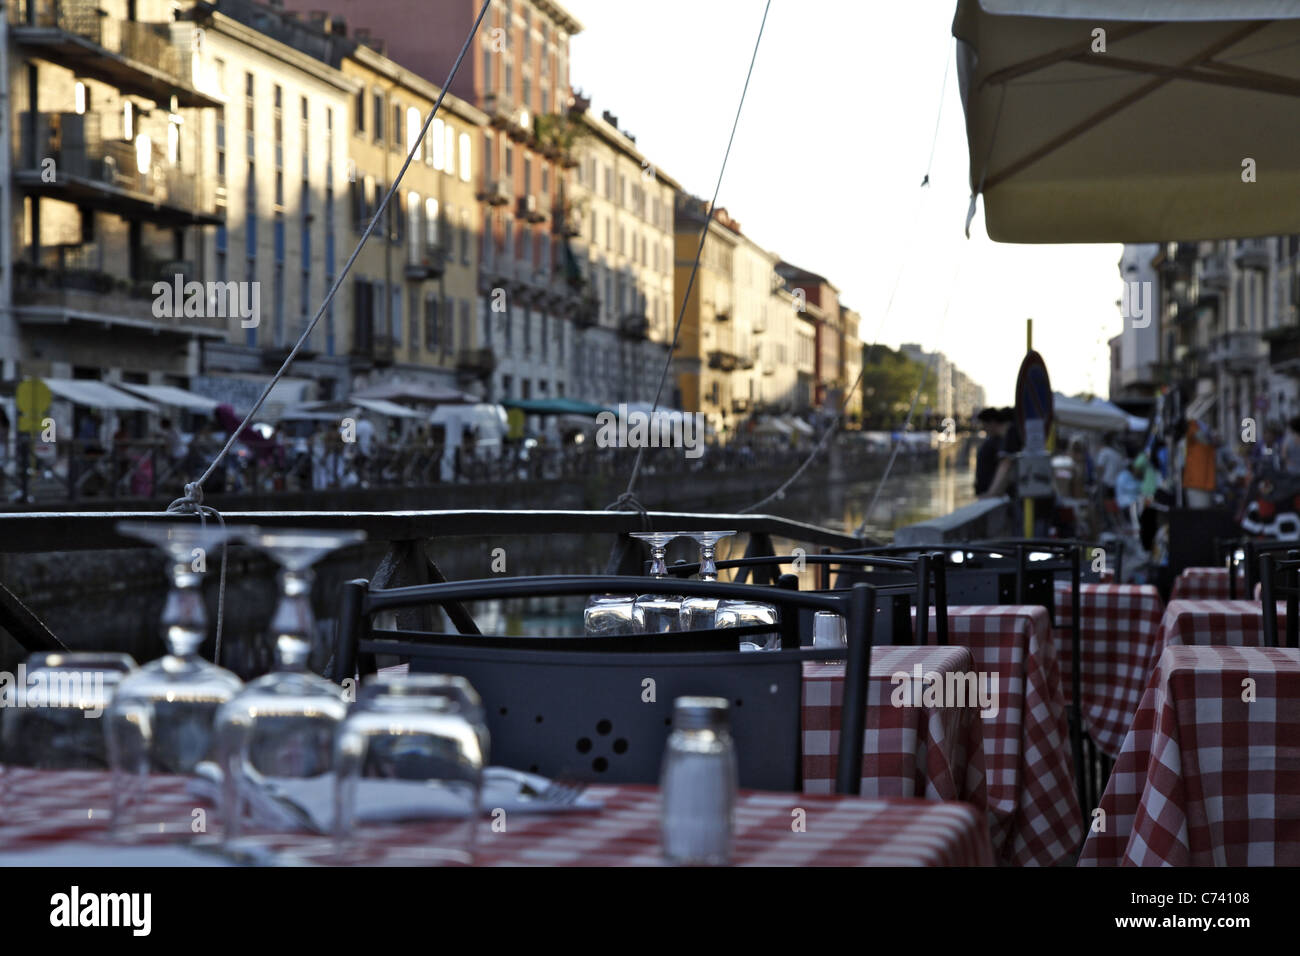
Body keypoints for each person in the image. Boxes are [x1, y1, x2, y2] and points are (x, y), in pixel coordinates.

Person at [1182, 417, 1217, 508]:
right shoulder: (1193, 427)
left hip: (1204, 481)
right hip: (1197, 483)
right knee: (1200, 513)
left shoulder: (1202, 429)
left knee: (1203, 513)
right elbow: (1202, 439)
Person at [973, 407, 1006, 495]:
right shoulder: (994, 441)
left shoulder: (999, 443)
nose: (983, 427)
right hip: (988, 494)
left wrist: (991, 493)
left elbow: (1004, 466)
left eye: (984, 424)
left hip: (991, 495)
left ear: (992, 422)